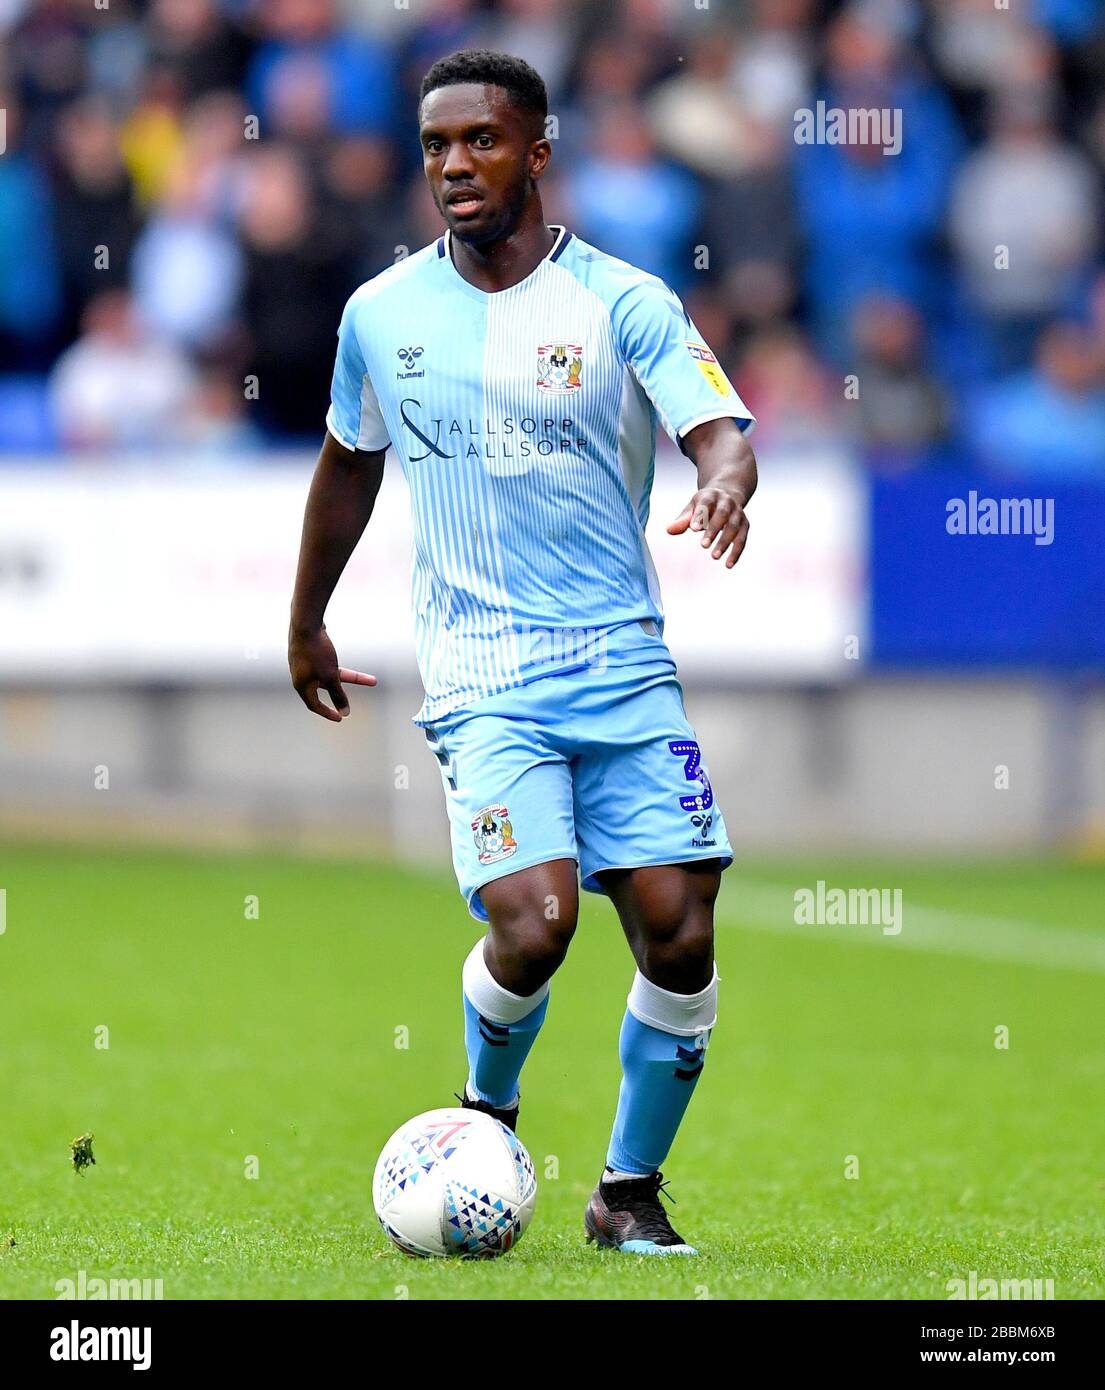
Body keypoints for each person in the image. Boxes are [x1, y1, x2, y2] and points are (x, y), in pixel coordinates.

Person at [288, 50, 757, 1256]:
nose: (454, 165)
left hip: (622, 664)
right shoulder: (380, 315)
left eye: (482, 142)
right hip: (484, 680)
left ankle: (628, 1191)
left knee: (681, 923)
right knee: (538, 921)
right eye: (437, 145)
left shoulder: (623, 300)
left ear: (536, 154)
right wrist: (307, 619)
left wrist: (724, 482)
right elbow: (349, 463)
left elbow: (716, 430)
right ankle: (484, 1109)